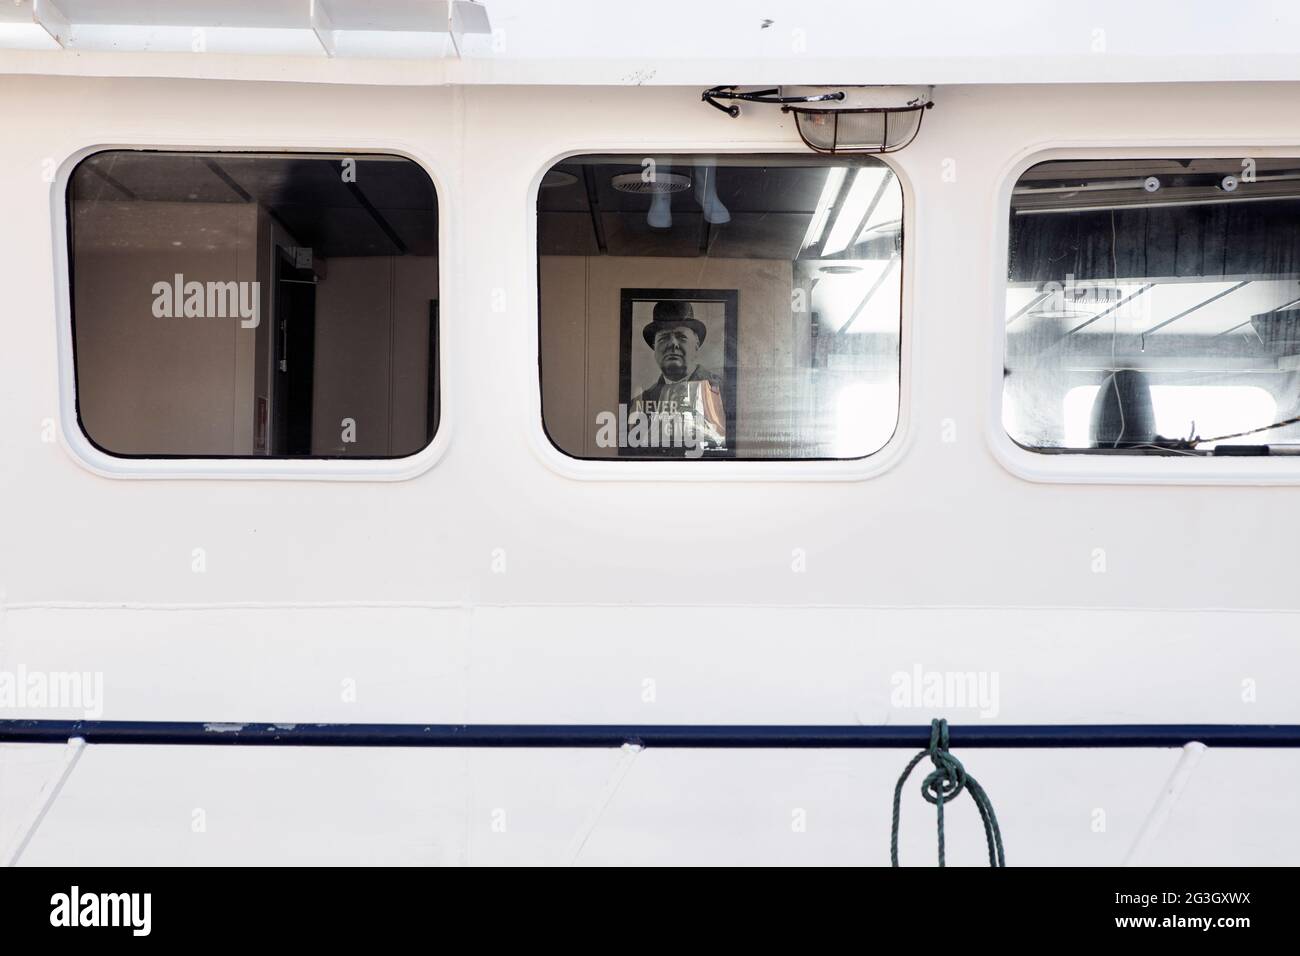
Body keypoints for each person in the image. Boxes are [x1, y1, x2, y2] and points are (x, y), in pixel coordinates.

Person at [631, 300, 726, 451]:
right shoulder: (642, 401)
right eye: (663, 338)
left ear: (696, 345)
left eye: (681, 337)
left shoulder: (722, 390)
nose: (673, 344)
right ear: (654, 349)